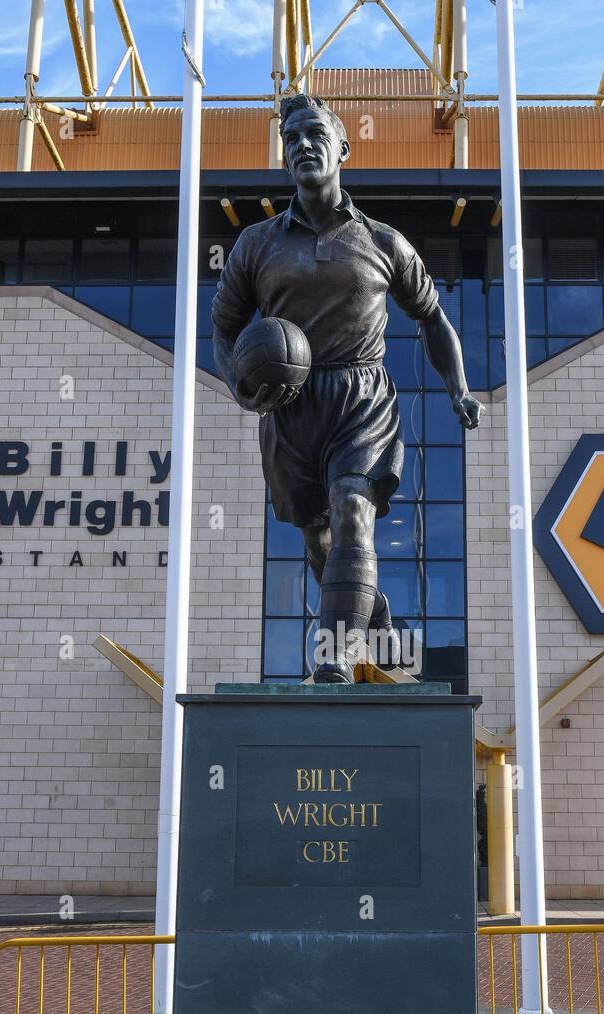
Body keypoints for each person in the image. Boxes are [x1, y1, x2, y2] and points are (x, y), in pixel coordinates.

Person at [212, 93, 481, 683]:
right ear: (285, 160)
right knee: (319, 543)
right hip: (290, 408)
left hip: (361, 398)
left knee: (354, 511)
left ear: (343, 149)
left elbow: (433, 318)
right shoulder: (256, 244)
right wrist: (240, 382)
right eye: (291, 140)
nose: (302, 145)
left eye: (314, 134)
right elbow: (224, 327)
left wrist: (457, 389)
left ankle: (332, 658)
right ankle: (372, 615)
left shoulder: (384, 242)